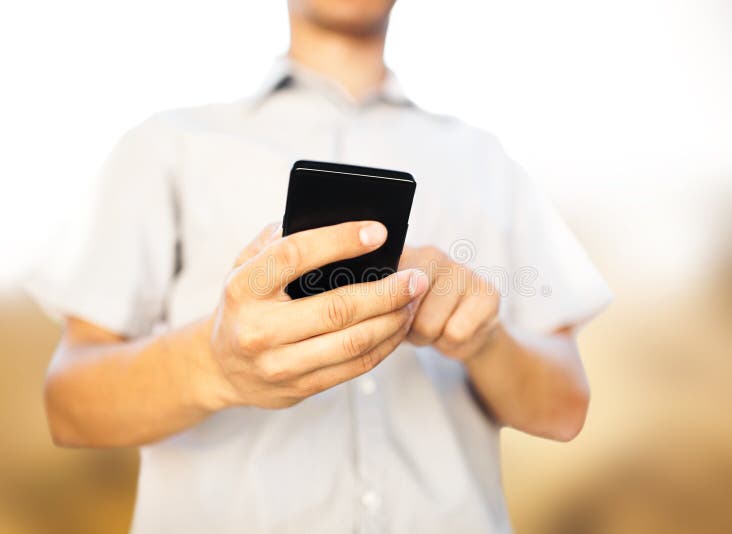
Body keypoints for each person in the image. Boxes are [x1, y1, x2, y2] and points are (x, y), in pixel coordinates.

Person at [31, 0, 612, 532]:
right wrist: (214, 365)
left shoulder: (486, 160)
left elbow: (565, 410)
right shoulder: (167, 145)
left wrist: (485, 343)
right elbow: (68, 407)